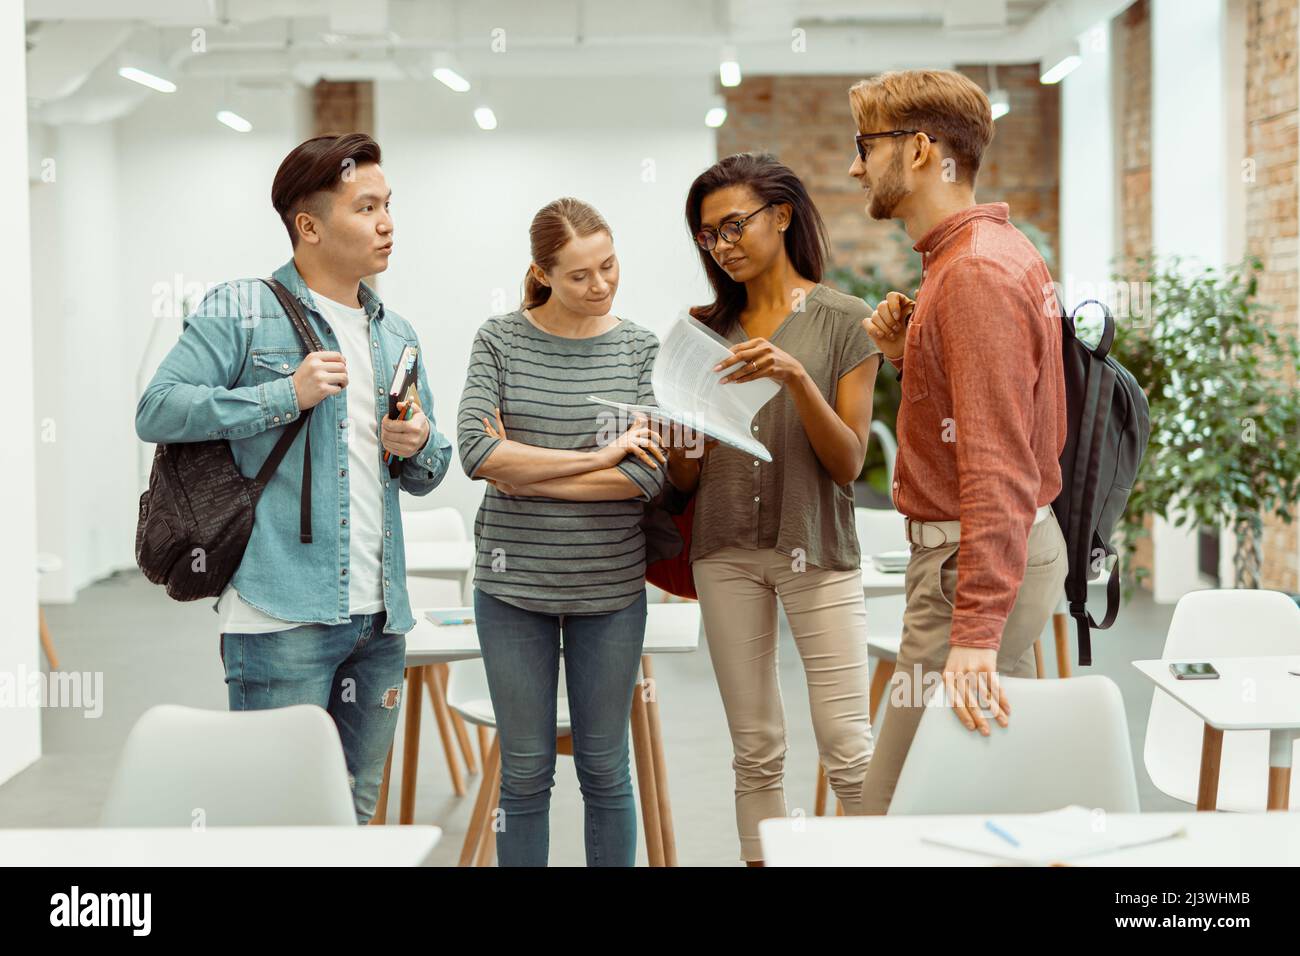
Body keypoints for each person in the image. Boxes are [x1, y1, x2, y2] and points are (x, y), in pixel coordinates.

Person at [135, 133, 453, 824]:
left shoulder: (395, 332)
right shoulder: (241, 310)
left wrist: (420, 442)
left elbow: (428, 469)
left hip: (379, 620)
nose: (388, 222)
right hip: (280, 615)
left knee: (353, 816)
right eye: (366, 207)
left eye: (389, 205)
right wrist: (285, 395)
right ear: (308, 226)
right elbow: (157, 408)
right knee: (273, 820)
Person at [847, 70, 1069, 814]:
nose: (855, 167)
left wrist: (974, 631)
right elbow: (993, 412)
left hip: (965, 570)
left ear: (918, 151)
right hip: (980, 559)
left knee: (894, 814)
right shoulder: (986, 251)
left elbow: (999, 464)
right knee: (970, 802)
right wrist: (915, 355)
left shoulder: (972, 271)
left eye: (864, 146)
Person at [666, 152, 882, 865]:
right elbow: (688, 477)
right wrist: (680, 437)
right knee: (755, 750)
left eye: (732, 227)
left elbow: (848, 461)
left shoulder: (845, 321)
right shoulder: (701, 329)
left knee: (848, 746)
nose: (722, 247)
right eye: (707, 236)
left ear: (782, 216)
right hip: (725, 552)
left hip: (815, 546)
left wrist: (794, 379)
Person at [456, 197, 668, 866]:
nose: (600, 285)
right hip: (511, 589)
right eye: (580, 275)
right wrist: (595, 457)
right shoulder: (499, 339)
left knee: (605, 771)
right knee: (523, 774)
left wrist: (525, 472)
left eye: (608, 266)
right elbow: (473, 452)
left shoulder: (641, 349)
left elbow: (644, 480)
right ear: (542, 274)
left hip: (610, 591)